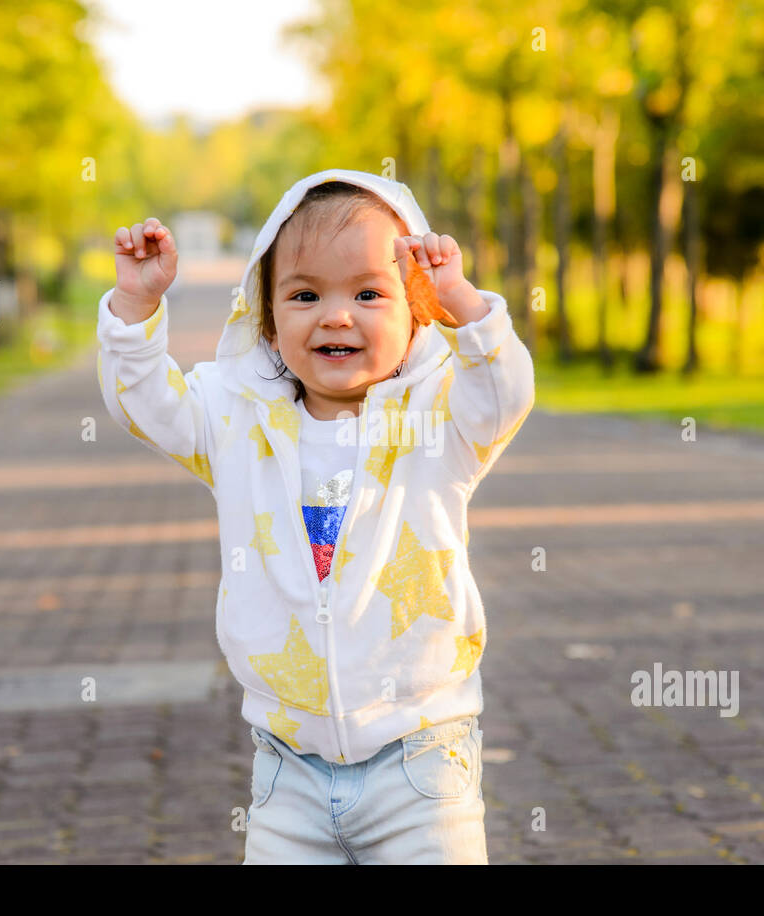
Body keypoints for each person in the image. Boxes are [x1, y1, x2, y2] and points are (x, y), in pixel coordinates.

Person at [96, 168, 535, 863]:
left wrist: (463, 304)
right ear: (266, 318)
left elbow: (506, 392)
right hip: (288, 767)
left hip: (421, 759)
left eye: (369, 293)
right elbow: (145, 403)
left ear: (415, 311)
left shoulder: (440, 418)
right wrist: (134, 303)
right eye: (305, 295)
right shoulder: (236, 420)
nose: (337, 315)